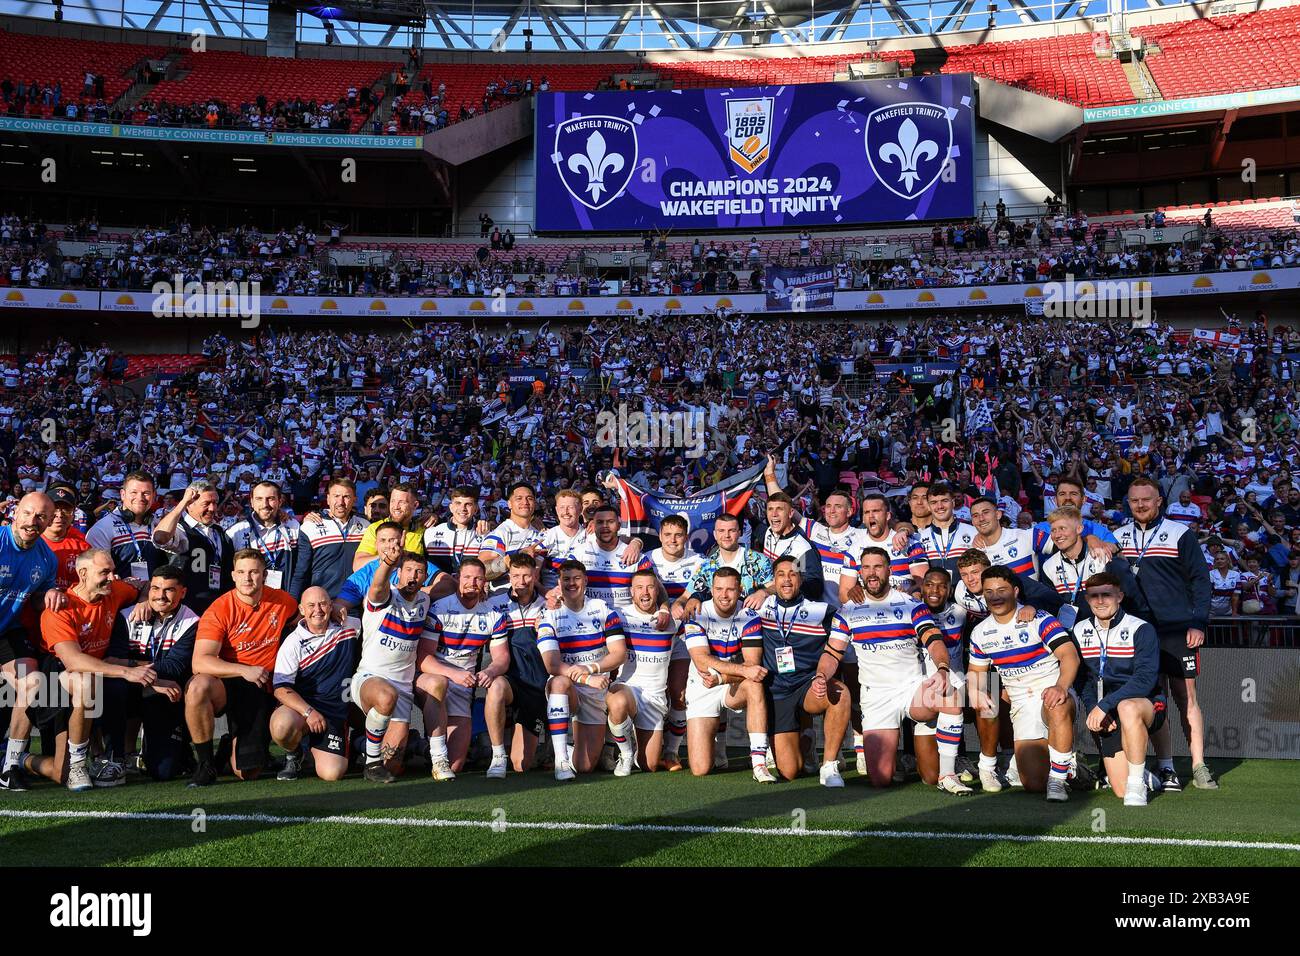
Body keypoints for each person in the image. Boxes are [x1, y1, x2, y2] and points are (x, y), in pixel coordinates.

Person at [831, 548, 970, 794]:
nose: (872, 573)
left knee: (950, 695)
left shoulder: (912, 605)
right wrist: (821, 676)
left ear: (889, 570)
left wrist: (942, 668)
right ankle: (898, 758)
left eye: (878, 566)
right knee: (881, 779)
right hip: (877, 696)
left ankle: (948, 774)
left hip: (911, 688)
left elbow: (934, 640)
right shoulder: (848, 610)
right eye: (866, 567)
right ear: (860, 572)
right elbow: (832, 653)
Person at [1114, 477, 1216, 791]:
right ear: (1128, 503)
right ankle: (1166, 766)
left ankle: (1199, 765)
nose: (1141, 505)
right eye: (1134, 500)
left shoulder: (1180, 533)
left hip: (1177, 630)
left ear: (1159, 500)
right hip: (1138, 632)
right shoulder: (1117, 537)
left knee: (1186, 698)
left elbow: (1200, 580)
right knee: (1151, 700)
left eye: (1147, 499)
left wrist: (1198, 622)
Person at [26, 549, 148, 791]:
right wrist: (125, 670)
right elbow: (73, 661)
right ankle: (74, 765)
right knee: (87, 682)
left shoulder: (113, 590)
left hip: (90, 674)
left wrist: (143, 599)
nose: (112, 577)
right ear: (82, 573)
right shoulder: (60, 608)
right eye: (105, 572)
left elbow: (143, 585)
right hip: (53, 681)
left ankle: (108, 757)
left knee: (102, 684)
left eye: (113, 571)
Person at [184, 549, 299, 787]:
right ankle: (205, 764)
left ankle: (230, 748)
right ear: (233, 575)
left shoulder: (282, 601)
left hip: (262, 685)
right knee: (197, 687)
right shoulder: (219, 608)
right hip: (231, 680)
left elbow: (302, 620)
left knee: (247, 772)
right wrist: (243, 669)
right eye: (242, 572)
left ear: (264, 575)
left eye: (254, 572)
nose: (248, 578)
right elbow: (200, 662)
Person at [967, 566, 1079, 802]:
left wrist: (1061, 686)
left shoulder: (1038, 618)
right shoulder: (980, 632)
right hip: (1021, 705)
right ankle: (1069, 768)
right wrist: (974, 691)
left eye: (1002, 590)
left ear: (1016, 591)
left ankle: (1058, 781)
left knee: (1056, 705)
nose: (995, 596)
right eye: (989, 592)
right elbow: (975, 672)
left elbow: (1069, 655)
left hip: (1053, 691)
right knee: (1033, 784)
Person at [1074, 572, 1165, 807]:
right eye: (1094, 596)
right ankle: (1141, 773)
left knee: (1127, 706)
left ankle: (1137, 784)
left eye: (1107, 594)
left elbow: (1145, 680)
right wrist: (1094, 706)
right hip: (1108, 712)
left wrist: (1105, 705)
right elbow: (1081, 678)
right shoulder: (1079, 630)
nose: (1101, 601)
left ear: (1120, 596)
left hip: (1144, 704)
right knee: (1119, 790)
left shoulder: (1141, 628)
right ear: (1087, 599)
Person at [757, 556, 849, 787]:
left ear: (802, 579)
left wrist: (824, 676)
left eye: (793, 574)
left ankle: (829, 766)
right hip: (777, 691)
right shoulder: (760, 606)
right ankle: (806, 739)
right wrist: (689, 601)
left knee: (840, 693)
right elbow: (723, 603)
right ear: (773, 581)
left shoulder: (822, 611)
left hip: (808, 685)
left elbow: (848, 628)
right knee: (789, 771)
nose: (787, 580)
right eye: (781, 574)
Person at [104, 565, 198, 781]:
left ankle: (177, 749)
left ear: (182, 592)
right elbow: (111, 659)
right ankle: (116, 757)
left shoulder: (192, 621)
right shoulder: (128, 614)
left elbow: (174, 667)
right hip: (139, 684)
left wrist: (136, 670)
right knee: (113, 686)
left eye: (169, 590)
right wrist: (146, 677)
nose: (160, 596)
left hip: (164, 691)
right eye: (155, 588)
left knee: (163, 772)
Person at [536, 559, 626, 780]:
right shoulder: (548, 616)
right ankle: (561, 761)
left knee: (585, 766)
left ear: (585, 580)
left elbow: (619, 653)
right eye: (566, 579)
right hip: (571, 687)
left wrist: (591, 668)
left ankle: (571, 748)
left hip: (596, 691)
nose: (571, 583)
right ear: (559, 582)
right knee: (558, 682)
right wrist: (587, 678)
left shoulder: (602, 610)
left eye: (576, 578)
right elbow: (552, 665)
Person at [418, 557, 506, 780]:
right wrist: (453, 673)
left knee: (456, 764)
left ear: (485, 582)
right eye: (467, 577)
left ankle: (420, 747)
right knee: (440, 683)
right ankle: (435, 755)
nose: (472, 583)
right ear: (457, 579)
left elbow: (502, 658)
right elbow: (423, 658)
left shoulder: (493, 614)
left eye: (478, 578)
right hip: (434, 676)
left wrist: (490, 671)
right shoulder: (440, 608)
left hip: (463, 685)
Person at [0, 491, 65, 791]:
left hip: (7, 631)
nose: (32, 521)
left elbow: (38, 599)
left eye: (41, 516)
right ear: (15, 512)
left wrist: (47, 596)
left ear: (49, 521)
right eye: (27, 513)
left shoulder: (47, 558)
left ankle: (10, 765)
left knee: (34, 682)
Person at [681, 567, 773, 781]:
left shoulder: (749, 615)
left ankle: (759, 763)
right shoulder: (697, 612)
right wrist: (742, 670)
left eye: (730, 589)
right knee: (700, 768)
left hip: (730, 683)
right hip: (702, 684)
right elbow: (701, 661)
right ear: (711, 590)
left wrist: (723, 677)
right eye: (719, 589)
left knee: (755, 684)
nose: (724, 595)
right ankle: (718, 737)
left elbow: (753, 665)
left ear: (740, 589)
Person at [351, 541, 431, 784]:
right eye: (408, 570)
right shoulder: (385, 597)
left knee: (394, 766)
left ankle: (359, 742)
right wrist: (386, 563)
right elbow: (376, 588)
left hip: (403, 688)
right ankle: (371, 764)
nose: (413, 576)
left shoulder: (425, 602)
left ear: (425, 577)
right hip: (370, 679)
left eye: (418, 572)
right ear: (399, 573)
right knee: (386, 697)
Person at [270, 586, 361, 782]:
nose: (317, 610)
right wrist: (308, 712)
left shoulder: (350, 627)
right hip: (303, 710)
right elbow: (280, 689)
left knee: (332, 773)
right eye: (311, 605)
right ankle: (294, 754)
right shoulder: (293, 642)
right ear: (302, 609)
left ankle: (357, 743)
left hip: (336, 713)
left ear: (331, 606)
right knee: (281, 726)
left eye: (322, 604)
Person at [482, 552, 547, 777]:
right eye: (516, 576)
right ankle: (497, 754)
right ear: (509, 576)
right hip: (510, 680)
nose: (521, 581)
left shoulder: (548, 605)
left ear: (535, 575)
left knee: (521, 765)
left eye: (527, 576)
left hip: (537, 685)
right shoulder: (493, 604)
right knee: (496, 686)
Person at [609, 568, 679, 774]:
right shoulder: (618, 616)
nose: (645, 592)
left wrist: (666, 607)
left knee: (649, 765)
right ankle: (625, 753)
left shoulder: (673, 619)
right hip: (629, 688)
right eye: (639, 587)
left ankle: (633, 737)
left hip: (655, 696)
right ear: (631, 592)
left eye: (650, 587)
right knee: (618, 700)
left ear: (658, 591)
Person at [152, 480, 234, 614]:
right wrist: (182, 503)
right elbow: (161, 537)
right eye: (206, 504)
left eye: (215, 503)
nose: (212, 508)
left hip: (217, 604)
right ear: (190, 505)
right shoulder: (181, 530)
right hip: (188, 608)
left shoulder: (218, 531)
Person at [289, 478, 368, 599]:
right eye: (336, 496)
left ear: (355, 500)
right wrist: (293, 603)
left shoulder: (366, 526)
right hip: (322, 603)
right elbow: (301, 572)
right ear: (328, 498)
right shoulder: (310, 526)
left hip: (356, 603)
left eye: (346, 496)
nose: (340, 502)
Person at [85, 471, 163, 579]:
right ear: (122, 494)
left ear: (154, 495)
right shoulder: (102, 528)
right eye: (134, 492)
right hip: (120, 593)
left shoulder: (160, 524)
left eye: (146, 493)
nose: (140, 498)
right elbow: (96, 575)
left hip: (155, 593)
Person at [227, 480, 300, 592]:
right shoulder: (235, 532)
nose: (265, 504)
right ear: (251, 502)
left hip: (285, 600)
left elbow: (302, 567)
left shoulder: (293, 526)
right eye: (259, 499)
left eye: (270, 499)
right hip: (250, 602)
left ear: (280, 501)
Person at [478, 482, 548, 591]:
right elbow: (483, 570)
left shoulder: (540, 534)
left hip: (534, 599)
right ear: (509, 504)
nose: (525, 502)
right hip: (505, 600)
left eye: (529, 498)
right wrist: (516, 557)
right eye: (519, 498)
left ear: (534, 503)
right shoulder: (500, 533)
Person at [351, 484, 425, 571]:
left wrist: (434, 516)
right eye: (393, 501)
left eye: (402, 502)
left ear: (415, 505)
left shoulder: (423, 528)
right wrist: (389, 556)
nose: (396, 507)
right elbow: (358, 565)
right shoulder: (375, 528)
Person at [917, 483, 977, 579]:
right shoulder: (919, 537)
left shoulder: (973, 532)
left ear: (953, 503)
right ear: (928, 506)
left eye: (944, 501)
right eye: (934, 502)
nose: (940, 506)